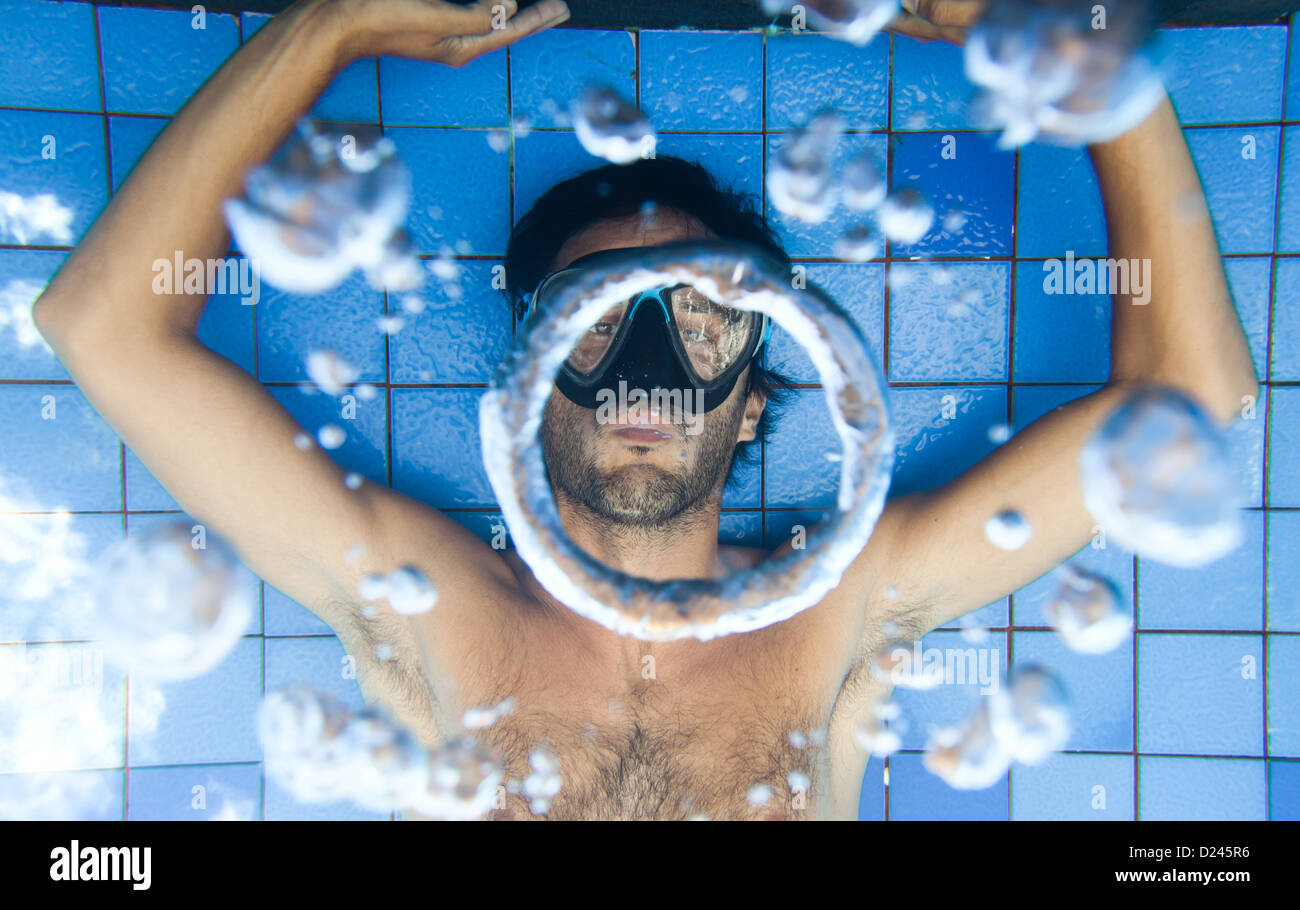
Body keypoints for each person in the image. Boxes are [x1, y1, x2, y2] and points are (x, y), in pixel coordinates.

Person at [32, 0, 1259, 819]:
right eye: (601, 312)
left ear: (757, 389)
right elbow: (102, 327)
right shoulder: (420, 593)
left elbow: (1191, 403)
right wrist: (329, 23)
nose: (652, 362)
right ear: (532, 366)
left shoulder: (849, 597)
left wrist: (1086, 44)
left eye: (708, 315)